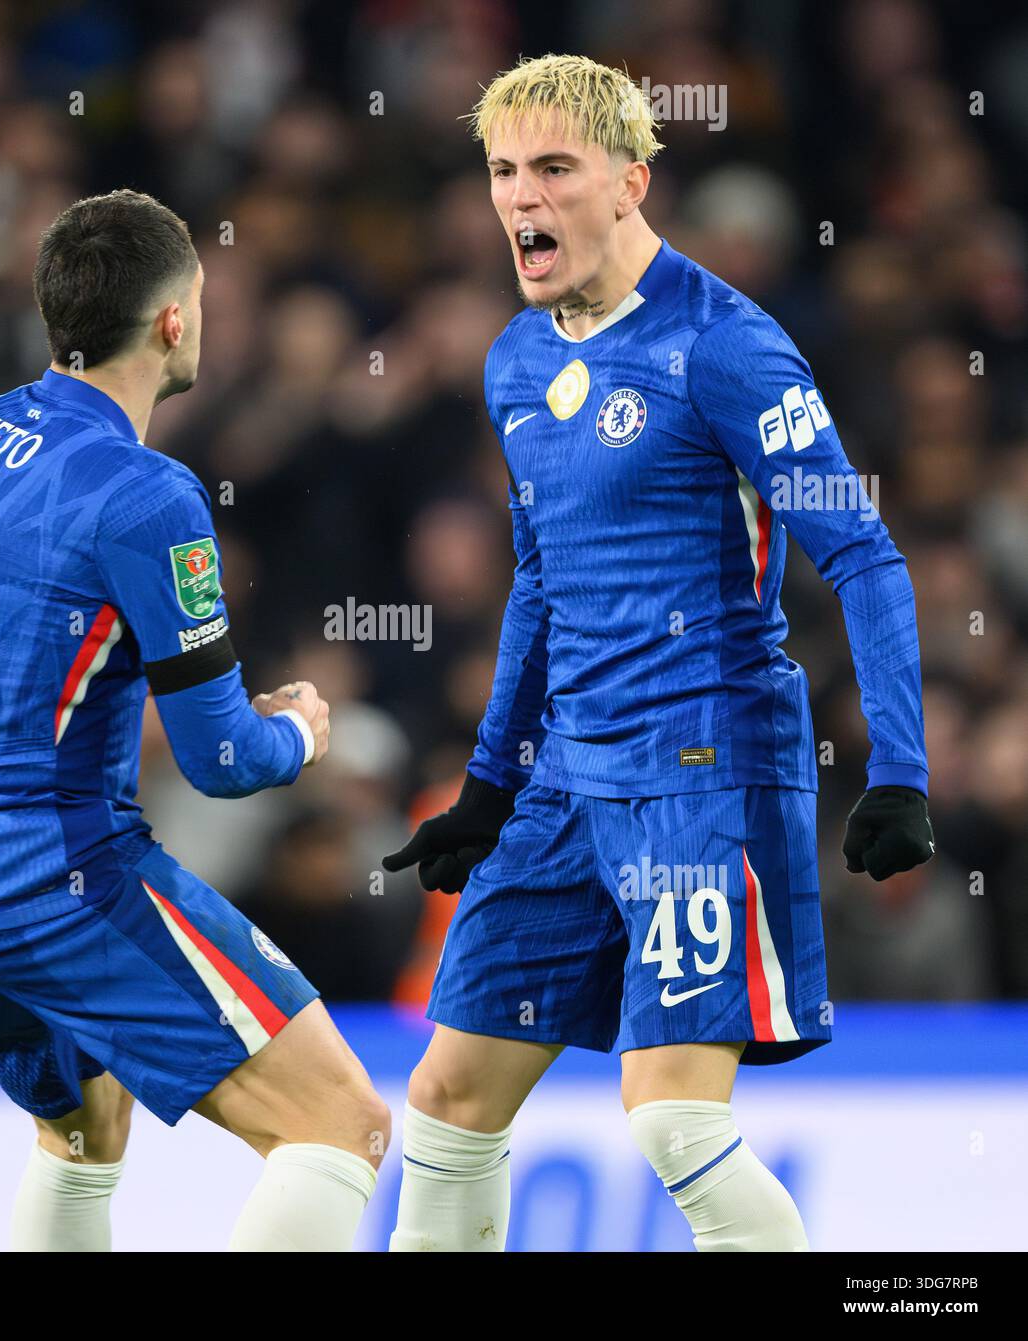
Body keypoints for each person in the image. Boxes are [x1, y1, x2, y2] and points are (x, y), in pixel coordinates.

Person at [383, 56, 934, 1252]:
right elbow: (540, 579)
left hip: (701, 774)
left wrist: (900, 769)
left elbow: (863, 554)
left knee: (671, 1122)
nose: (521, 200)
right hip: (565, 780)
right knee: (444, 1104)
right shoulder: (516, 361)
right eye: (502, 173)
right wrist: (487, 784)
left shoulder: (724, 345)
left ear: (631, 182)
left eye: (554, 170)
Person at [0, 189, 388, 1252]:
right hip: (55, 878)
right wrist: (299, 728)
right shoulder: (148, 496)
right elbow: (225, 760)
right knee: (342, 1125)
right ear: (172, 323)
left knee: (82, 1133)